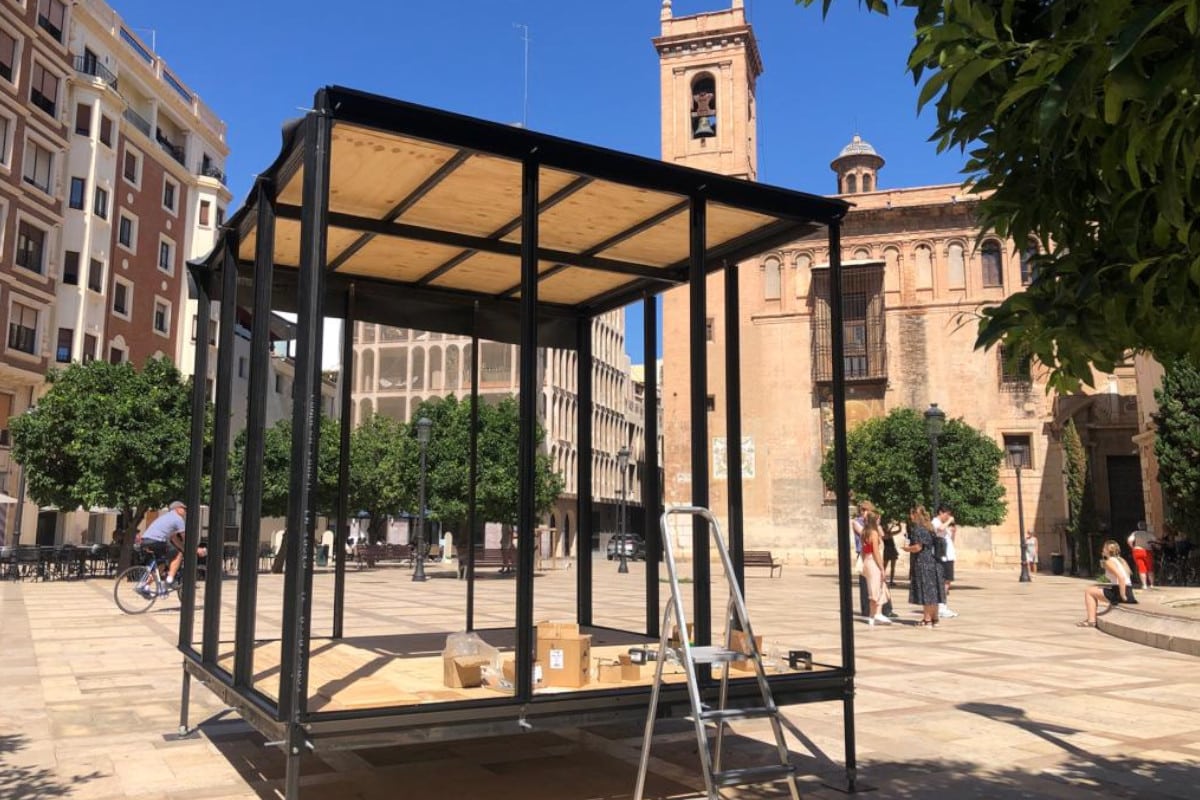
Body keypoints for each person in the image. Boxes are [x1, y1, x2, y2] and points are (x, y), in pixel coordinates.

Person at [902, 505, 945, 626]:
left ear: (915, 515)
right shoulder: (929, 527)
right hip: (934, 562)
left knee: (926, 591)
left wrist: (906, 549)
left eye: (911, 514)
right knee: (933, 591)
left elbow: (917, 547)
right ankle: (935, 617)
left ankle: (927, 618)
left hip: (923, 563)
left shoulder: (918, 529)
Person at [1079, 539, 1137, 627]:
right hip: (1129, 591)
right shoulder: (1121, 560)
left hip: (1121, 592)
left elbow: (1121, 577)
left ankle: (1091, 620)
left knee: (1089, 591)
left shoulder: (1109, 562)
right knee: (1096, 589)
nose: (1102, 551)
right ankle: (1097, 616)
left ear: (1107, 550)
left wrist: (1123, 595)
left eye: (1103, 549)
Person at [138, 501, 187, 589]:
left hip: (145, 541)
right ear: (177, 508)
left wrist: (183, 548)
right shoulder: (178, 519)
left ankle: (145, 586)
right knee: (178, 554)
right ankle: (170, 580)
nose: (185, 511)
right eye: (184, 509)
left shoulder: (165, 517)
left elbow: (174, 538)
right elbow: (185, 538)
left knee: (160, 565)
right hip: (157, 541)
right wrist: (192, 549)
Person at [861, 512, 892, 626]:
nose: (880, 522)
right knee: (876, 588)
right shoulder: (873, 533)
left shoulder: (864, 532)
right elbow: (876, 552)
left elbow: (864, 551)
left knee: (876, 587)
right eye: (878, 520)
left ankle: (874, 616)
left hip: (867, 561)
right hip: (873, 562)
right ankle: (875, 614)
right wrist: (881, 567)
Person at [937, 513, 959, 619]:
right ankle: (941, 606)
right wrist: (949, 520)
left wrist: (953, 531)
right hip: (943, 557)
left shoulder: (946, 527)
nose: (949, 516)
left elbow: (951, 541)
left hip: (949, 556)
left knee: (948, 582)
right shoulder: (936, 522)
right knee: (944, 582)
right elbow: (940, 529)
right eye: (947, 514)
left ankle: (943, 605)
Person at [1127, 521, 1156, 589]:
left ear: (1138, 527)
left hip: (1137, 551)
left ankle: (1144, 585)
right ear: (1145, 526)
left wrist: (1132, 547)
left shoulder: (1135, 533)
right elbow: (1155, 540)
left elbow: (1129, 540)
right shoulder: (1148, 534)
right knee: (1150, 568)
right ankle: (1152, 584)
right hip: (1147, 551)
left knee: (1141, 568)